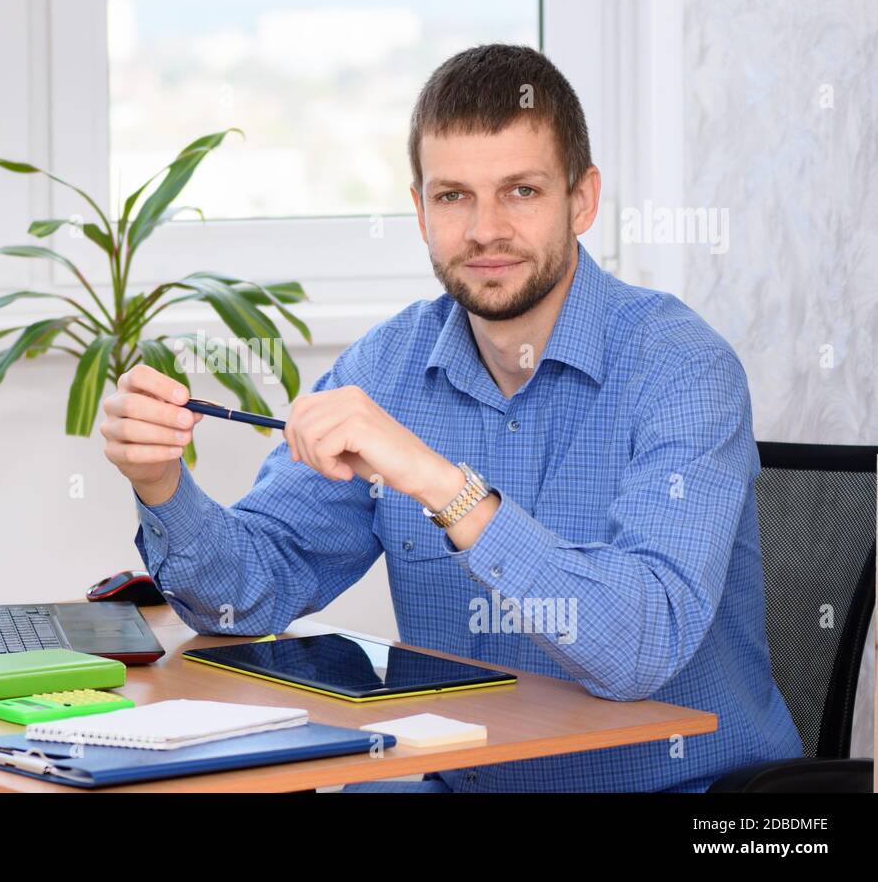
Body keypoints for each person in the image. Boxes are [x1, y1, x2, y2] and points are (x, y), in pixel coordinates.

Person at [98, 44, 802, 792]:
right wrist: (160, 483)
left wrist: (439, 483)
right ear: (420, 209)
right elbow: (248, 595)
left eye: (521, 192)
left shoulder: (684, 369)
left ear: (583, 199)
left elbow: (639, 648)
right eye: (453, 196)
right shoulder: (386, 367)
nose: (484, 230)